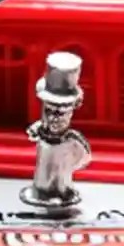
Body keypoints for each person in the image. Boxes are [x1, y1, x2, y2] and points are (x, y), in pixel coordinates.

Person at [20, 51, 92, 213]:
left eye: (61, 113)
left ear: (71, 112)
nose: (53, 118)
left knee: (58, 178)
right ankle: (41, 191)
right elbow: (32, 133)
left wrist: (68, 163)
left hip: (62, 172)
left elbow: (84, 157)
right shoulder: (42, 132)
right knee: (44, 174)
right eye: (49, 110)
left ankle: (60, 191)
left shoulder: (71, 141)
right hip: (43, 161)